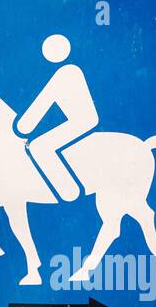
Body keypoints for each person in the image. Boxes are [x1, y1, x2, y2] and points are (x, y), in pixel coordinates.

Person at [16, 34, 99, 201]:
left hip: (82, 121)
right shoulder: (69, 71)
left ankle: (69, 192)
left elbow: (40, 106)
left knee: (39, 146)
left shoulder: (65, 73)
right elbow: (41, 107)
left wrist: (22, 127)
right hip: (78, 120)